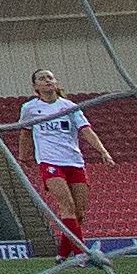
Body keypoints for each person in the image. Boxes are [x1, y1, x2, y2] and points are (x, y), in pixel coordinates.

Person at [18, 70, 100, 261]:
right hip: (50, 162)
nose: (47, 81)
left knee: (78, 214)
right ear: (35, 87)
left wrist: (102, 152)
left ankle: (62, 254)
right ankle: (81, 254)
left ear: (55, 83)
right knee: (67, 206)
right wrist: (23, 159)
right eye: (42, 79)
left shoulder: (70, 107)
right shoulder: (30, 109)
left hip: (74, 162)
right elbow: (25, 134)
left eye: (50, 78)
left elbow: (86, 130)